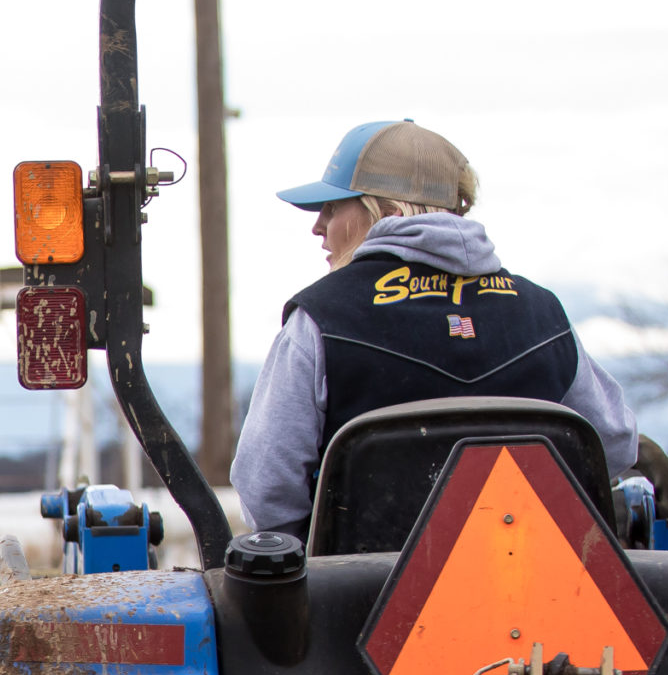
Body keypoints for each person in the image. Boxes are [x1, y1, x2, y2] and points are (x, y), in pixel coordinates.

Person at [230, 119, 637, 539]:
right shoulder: (544, 314)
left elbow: (266, 491)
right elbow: (615, 445)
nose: (319, 227)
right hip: (533, 584)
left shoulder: (319, 318)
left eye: (333, 208)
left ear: (386, 212)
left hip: (365, 594)